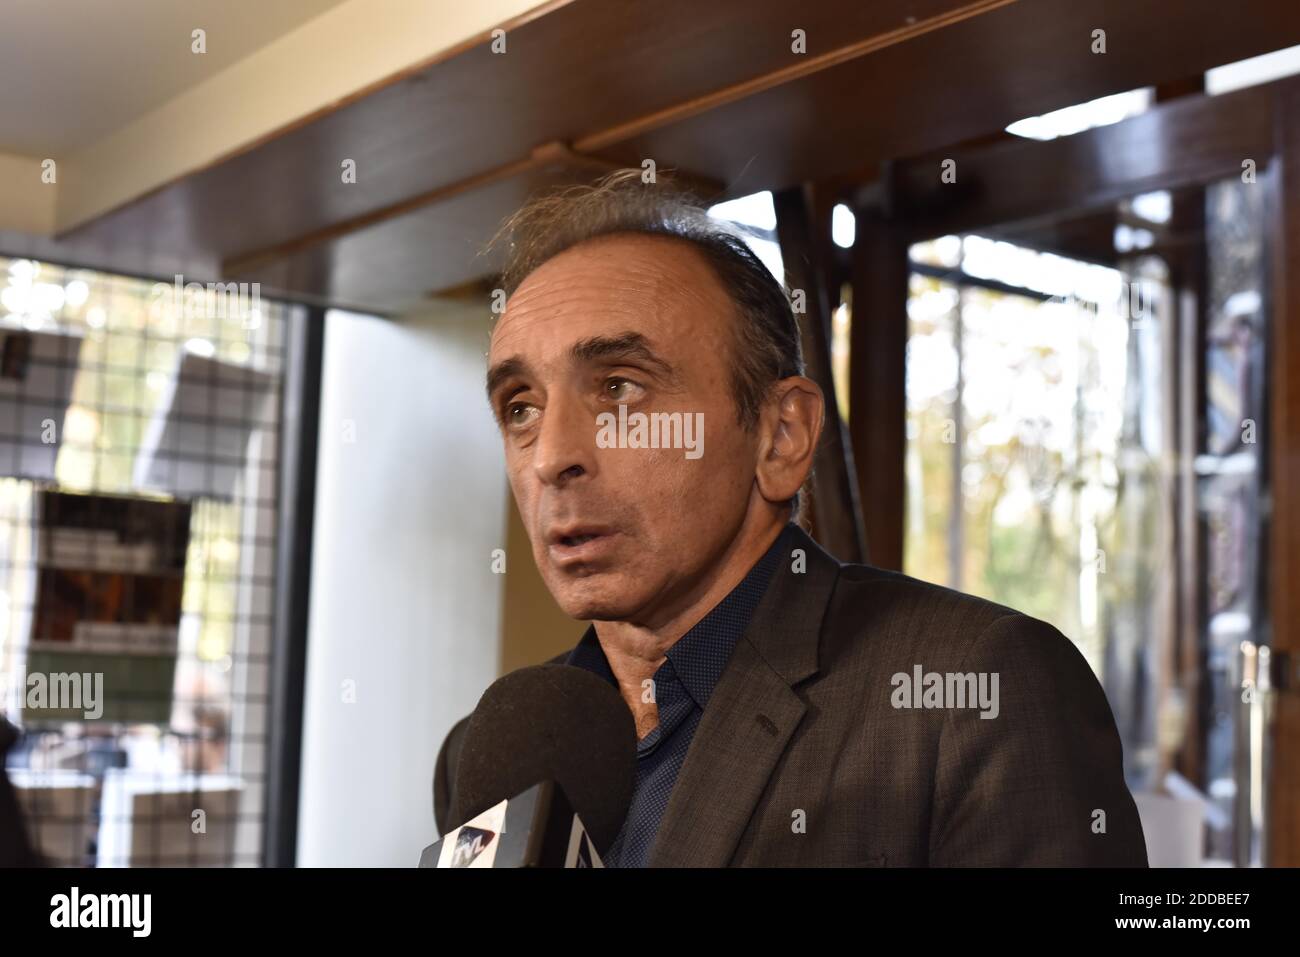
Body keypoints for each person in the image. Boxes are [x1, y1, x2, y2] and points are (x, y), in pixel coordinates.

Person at [436, 170, 1147, 867]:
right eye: (520, 407)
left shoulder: (972, 694)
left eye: (620, 388)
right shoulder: (489, 752)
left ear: (781, 435)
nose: (551, 456)